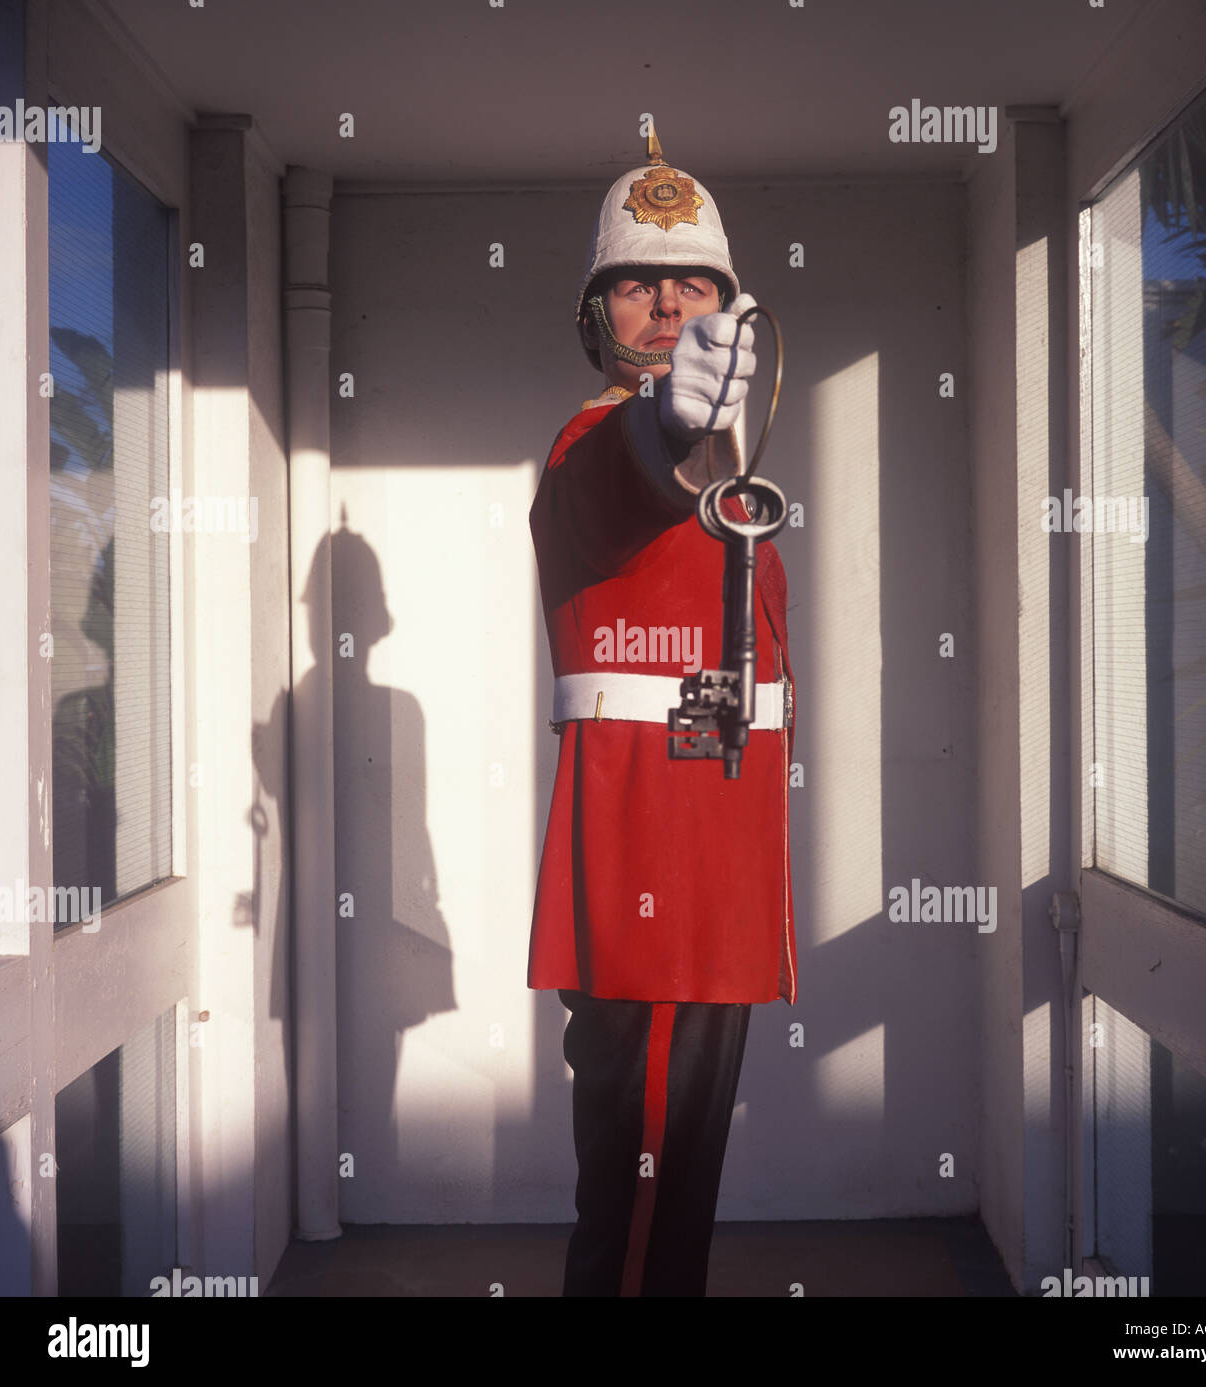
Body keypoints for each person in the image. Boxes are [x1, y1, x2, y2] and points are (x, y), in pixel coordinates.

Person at [527, 129, 797, 1297]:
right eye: (635, 283)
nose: (664, 303)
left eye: (691, 283)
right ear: (598, 316)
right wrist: (669, 425)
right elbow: (627, 464)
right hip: (649, 859)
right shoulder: (600, 439)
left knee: (679, 1183)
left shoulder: (732, 467)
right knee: (637, 1193)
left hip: (718, 866)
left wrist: (701, 440)